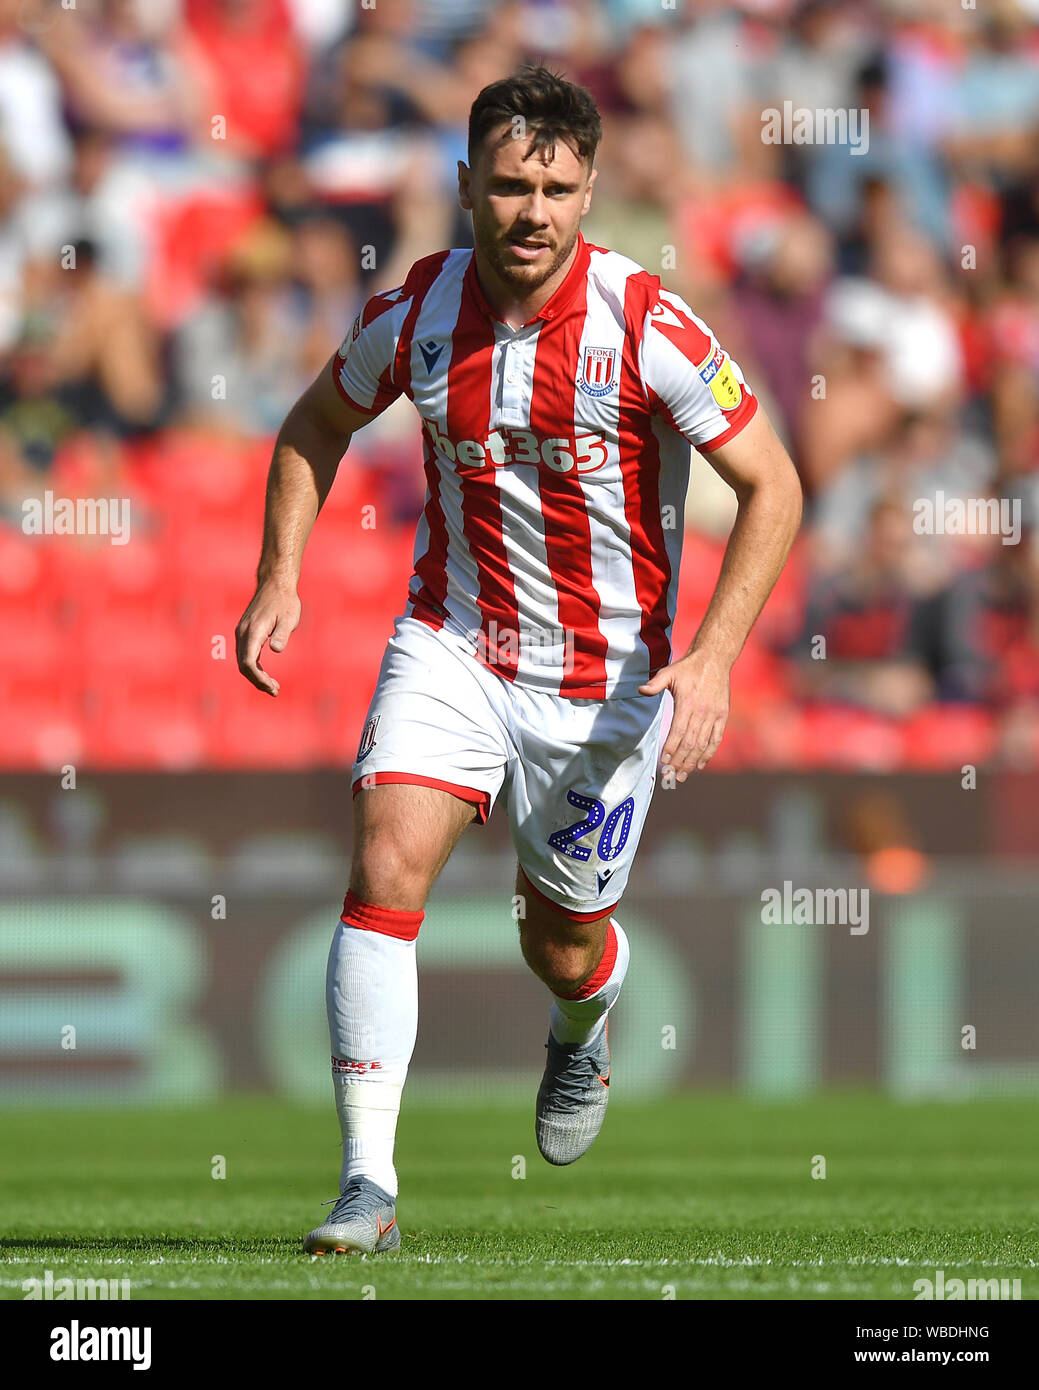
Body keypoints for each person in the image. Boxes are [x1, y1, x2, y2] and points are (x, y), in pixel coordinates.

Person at [235, 65, 802, 1256]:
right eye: (506, 184)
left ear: (589, 190)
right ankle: (366, 1186)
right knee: (386, 859)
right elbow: (312, 425)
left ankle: (582, 1018)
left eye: (554, 186)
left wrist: (710, 659)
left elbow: (775, 484)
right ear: (465, 187)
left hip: (602, 685)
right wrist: (279, 571)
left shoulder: (648, 322)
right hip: (450, 642)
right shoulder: (416, 313)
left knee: (558, 937)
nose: (530, 211)